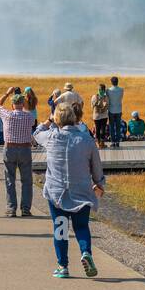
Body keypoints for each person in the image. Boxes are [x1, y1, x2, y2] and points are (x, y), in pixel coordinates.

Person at [34, 101, 105, 278]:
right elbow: (96, 165)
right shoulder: (86, 140)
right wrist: (99, 182)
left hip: (56, 192)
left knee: (61, 228)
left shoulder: (50, 137)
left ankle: (62, 266)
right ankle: (86, 252)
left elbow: (35, 134)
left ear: (57, 118)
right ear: (74, 118)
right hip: (81, 190)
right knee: (81, 227)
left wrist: (49, 120)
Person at [0, 90, 36, 216]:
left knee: (10, 179)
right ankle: (25, 209)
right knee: (27, 180)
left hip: (10, 149)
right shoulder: (30, 116)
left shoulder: (7, 115)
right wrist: (25, 102)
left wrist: (7, 93)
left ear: (13, 104)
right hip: (25, 149)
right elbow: (28, 110)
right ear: (23, 103)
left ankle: (11, 208)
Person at [106, 77, 125, 147]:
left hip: (111, 110)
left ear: (111, 82)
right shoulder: (121, 90)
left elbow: (107, 99)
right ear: (118, 82)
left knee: (111, 126)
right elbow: (121, 98)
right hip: (119, 110)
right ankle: (117, 142)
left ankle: (113, 141)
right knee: (118, 126)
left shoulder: (108, 90)